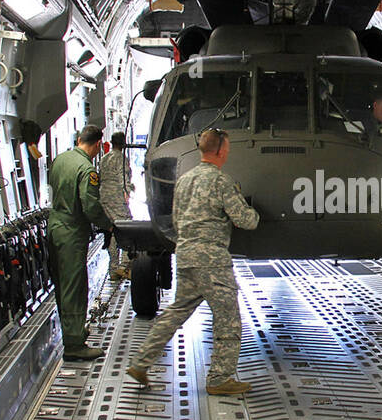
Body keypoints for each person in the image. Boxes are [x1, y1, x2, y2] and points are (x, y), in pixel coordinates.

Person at [127, 129, 259, 395]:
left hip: (186, 256)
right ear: (221, 150)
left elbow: (175, 221)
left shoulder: (184, 181)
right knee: (228, 318)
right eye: (228, 148)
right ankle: (220, 378)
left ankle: (141, 362)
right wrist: (253, 212)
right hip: (212, 261)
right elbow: (247, 221)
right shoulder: (222, 182)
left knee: (176, 312)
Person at [48, 125, 111, 362]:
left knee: (63, 285)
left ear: (78, 139)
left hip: (55, 227)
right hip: (72, 231)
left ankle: (73, 331)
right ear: (97, 145)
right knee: (75, 287)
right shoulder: (87, 169)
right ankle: (74, 345)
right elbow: (91, 206)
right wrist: (108, 225)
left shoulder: (60, 159)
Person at [99, 132, 134, 280]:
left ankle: (113, 270)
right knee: (127, 228)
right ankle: (124, 266)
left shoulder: (104, 158)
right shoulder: (121, 158)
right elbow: (123, 179)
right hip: (116, 198)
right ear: (123, 144)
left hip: (104, 197)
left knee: (112, 231)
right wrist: (129, 191)